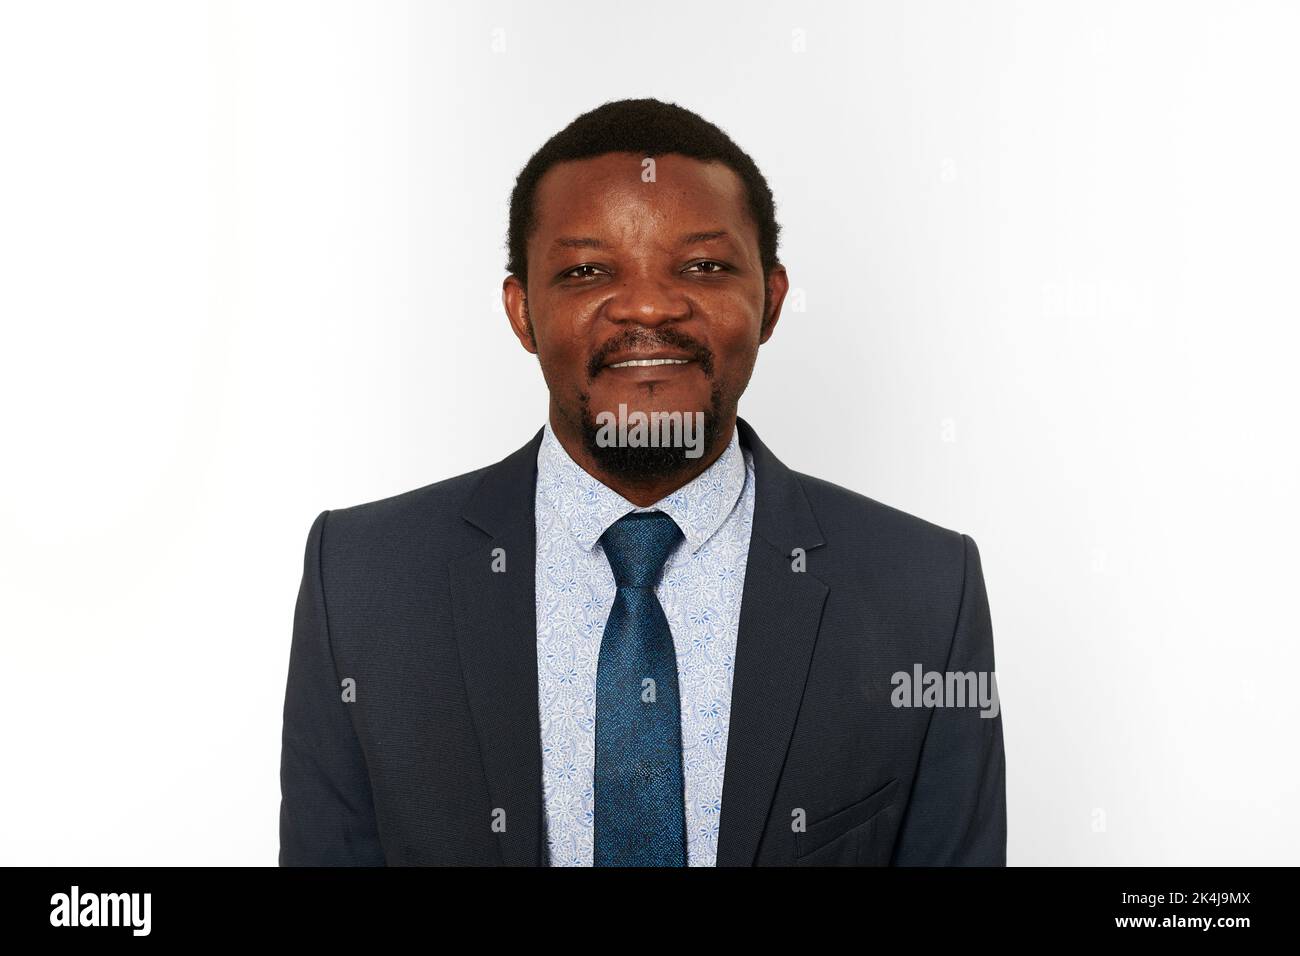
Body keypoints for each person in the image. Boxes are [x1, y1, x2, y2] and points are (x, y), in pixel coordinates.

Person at [279, 97, 1005, 866]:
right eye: (587, 271)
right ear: (522, 312)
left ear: (771, 301)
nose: (651, 305)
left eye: (704, 266)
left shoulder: (927, 591)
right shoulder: (359, 580)